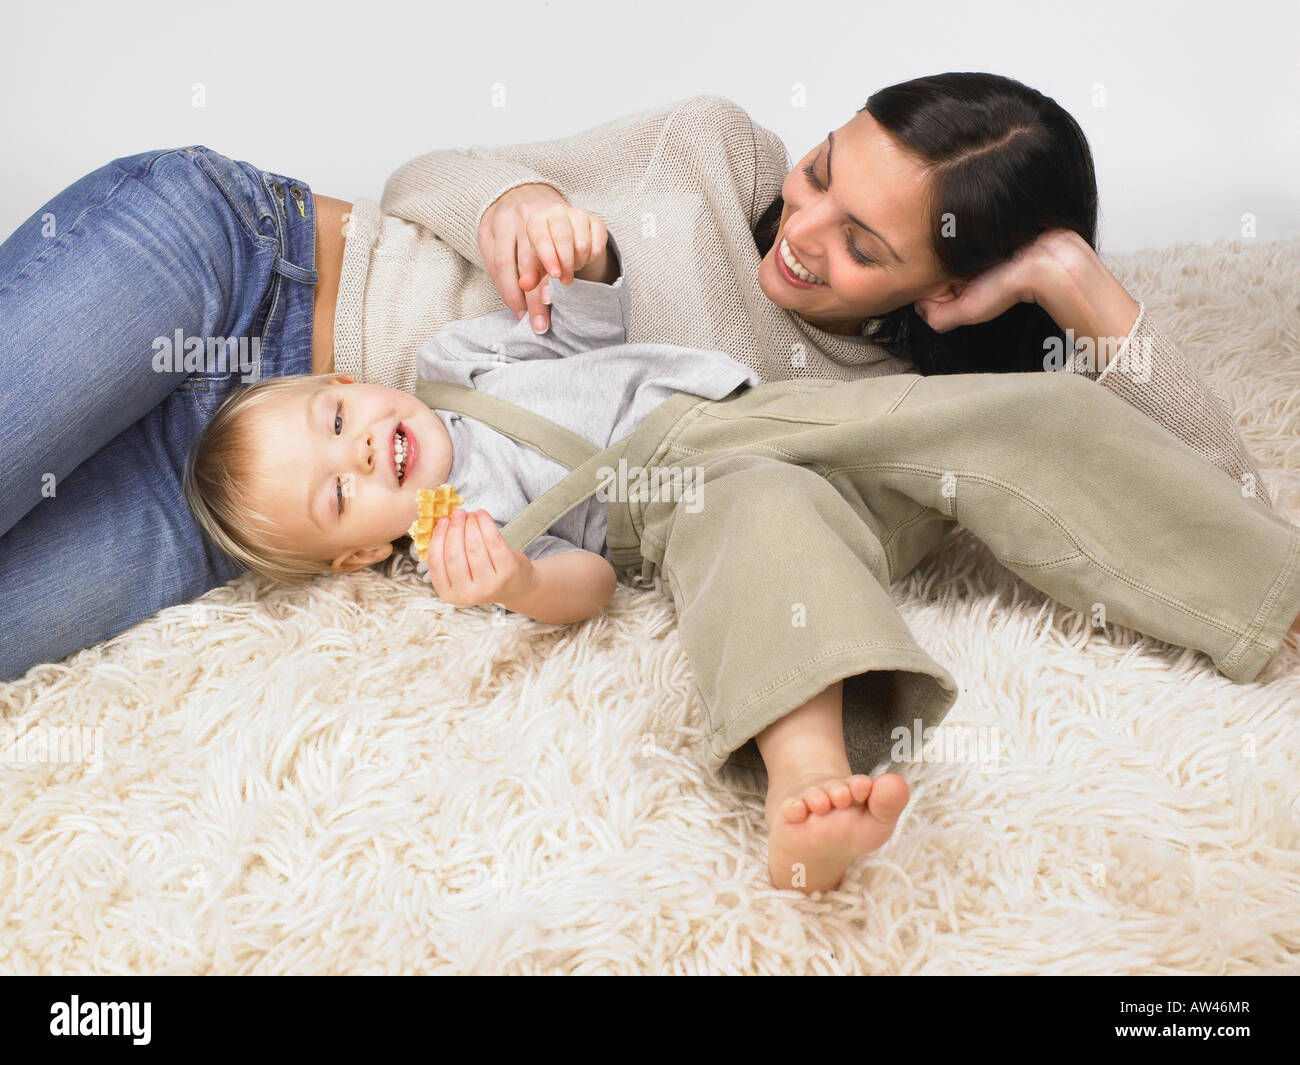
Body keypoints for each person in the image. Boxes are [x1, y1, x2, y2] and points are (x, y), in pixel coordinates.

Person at [0, 73, 1274, 681]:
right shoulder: (714, 148)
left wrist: (1077, 285)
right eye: (825, 170)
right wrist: (520, 197)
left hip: (287, 490)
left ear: (944, 296)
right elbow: (424, 177)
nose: (797, 232)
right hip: (245, 267)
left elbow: (1214, 494)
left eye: (860, 245)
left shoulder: (853, 419)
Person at [181, 235, 1300, 895]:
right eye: (339, 490)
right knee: (754, 524)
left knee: (1024, 414)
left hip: (787, 419)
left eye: (336, 414)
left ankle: (1262, 593)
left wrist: (576, 256)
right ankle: (808, 783)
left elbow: (584, 327)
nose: (360, 446)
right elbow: (597, 589)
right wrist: (514, 585)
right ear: (359, 553)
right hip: (699, 491)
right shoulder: (451, 547)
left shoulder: (454, 359)